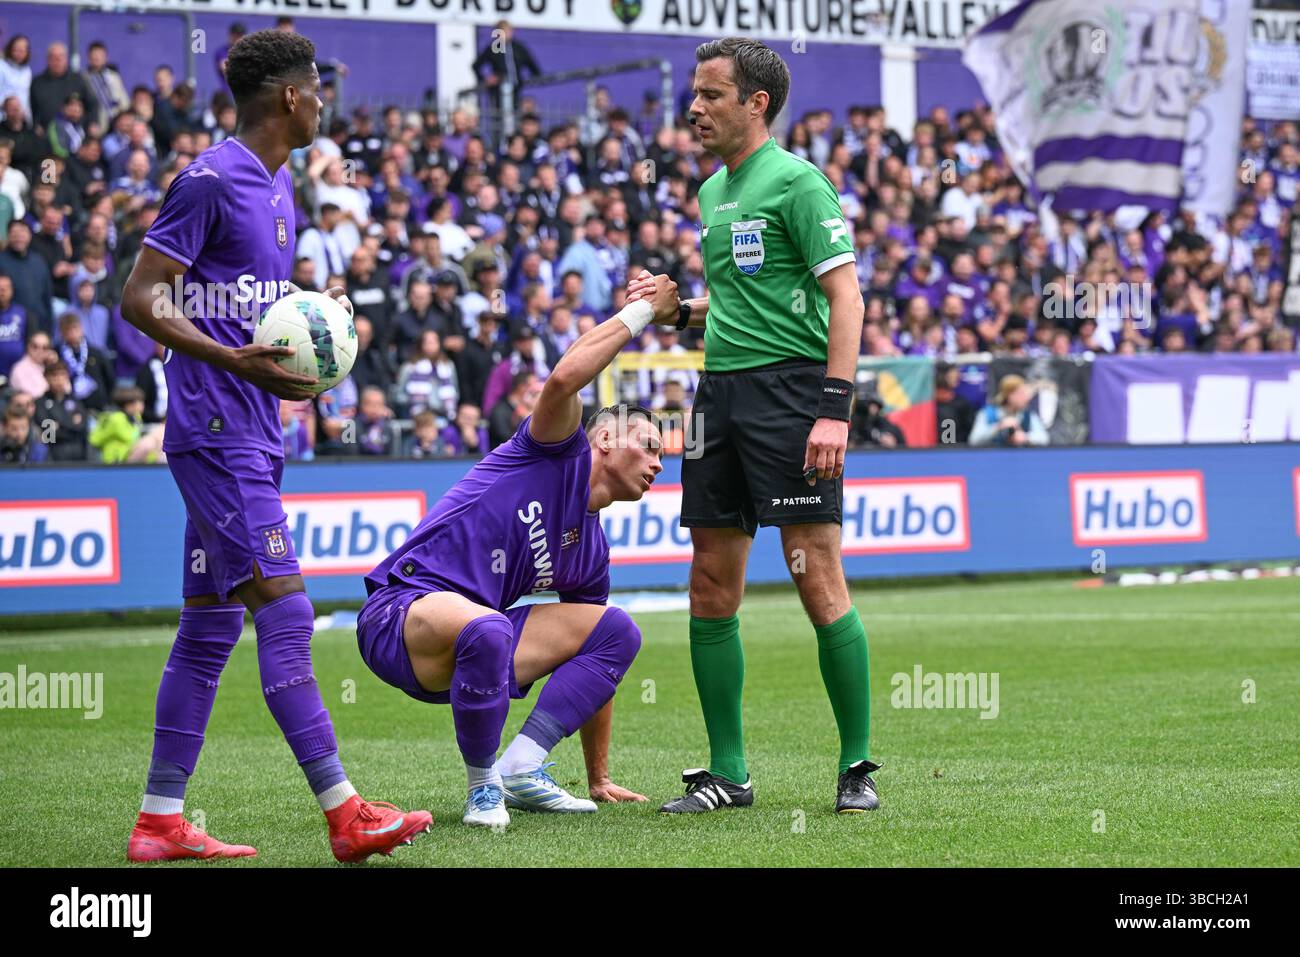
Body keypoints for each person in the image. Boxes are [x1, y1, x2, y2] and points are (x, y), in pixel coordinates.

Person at [120, 29, 430, 865]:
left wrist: (310, 331)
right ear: (291, 97)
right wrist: (227, 357)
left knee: (210, 626)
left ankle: (159, 821)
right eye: (317, 89)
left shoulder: (282, 185)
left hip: (255, 427)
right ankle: (345, 811)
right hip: (216, 430)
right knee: (287, 610)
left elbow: (246, 301)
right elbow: (138, 297)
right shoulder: (211, 179)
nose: (324, 101)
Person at [626, 37, 878, 815]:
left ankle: (856, 766)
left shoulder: (800, 184)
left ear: (755, 103)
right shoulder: (711, 194)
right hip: (720, 397)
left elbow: (847, 300)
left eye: (710, 94)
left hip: (795, 395)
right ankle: (729, 773)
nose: (694, 108)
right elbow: (738, 305)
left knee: (815, 570)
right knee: (709, 577)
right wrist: (681, 311)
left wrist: (833, 410)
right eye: (695, 95)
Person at [357, 275, 678, 827]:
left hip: (477, 645)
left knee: (616, 628)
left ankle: (523, 767)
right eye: (648, 445)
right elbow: (566, 376)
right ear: (604, 439)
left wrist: (597, 774)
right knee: (489, 627)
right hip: (402, 615)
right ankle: (483, 790)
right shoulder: (555, 450)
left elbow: (596, 661)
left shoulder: (590, 551)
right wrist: (643, 314)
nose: (658, 463)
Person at [969, 374, 1049, 447]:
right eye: (1021, 393)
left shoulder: (1028, 414)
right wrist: (999, 427)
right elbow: (974, 440)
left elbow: (1044, 438)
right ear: (1010, 395)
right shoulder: (987, 413)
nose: (1026, 398)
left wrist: (1025, 437)